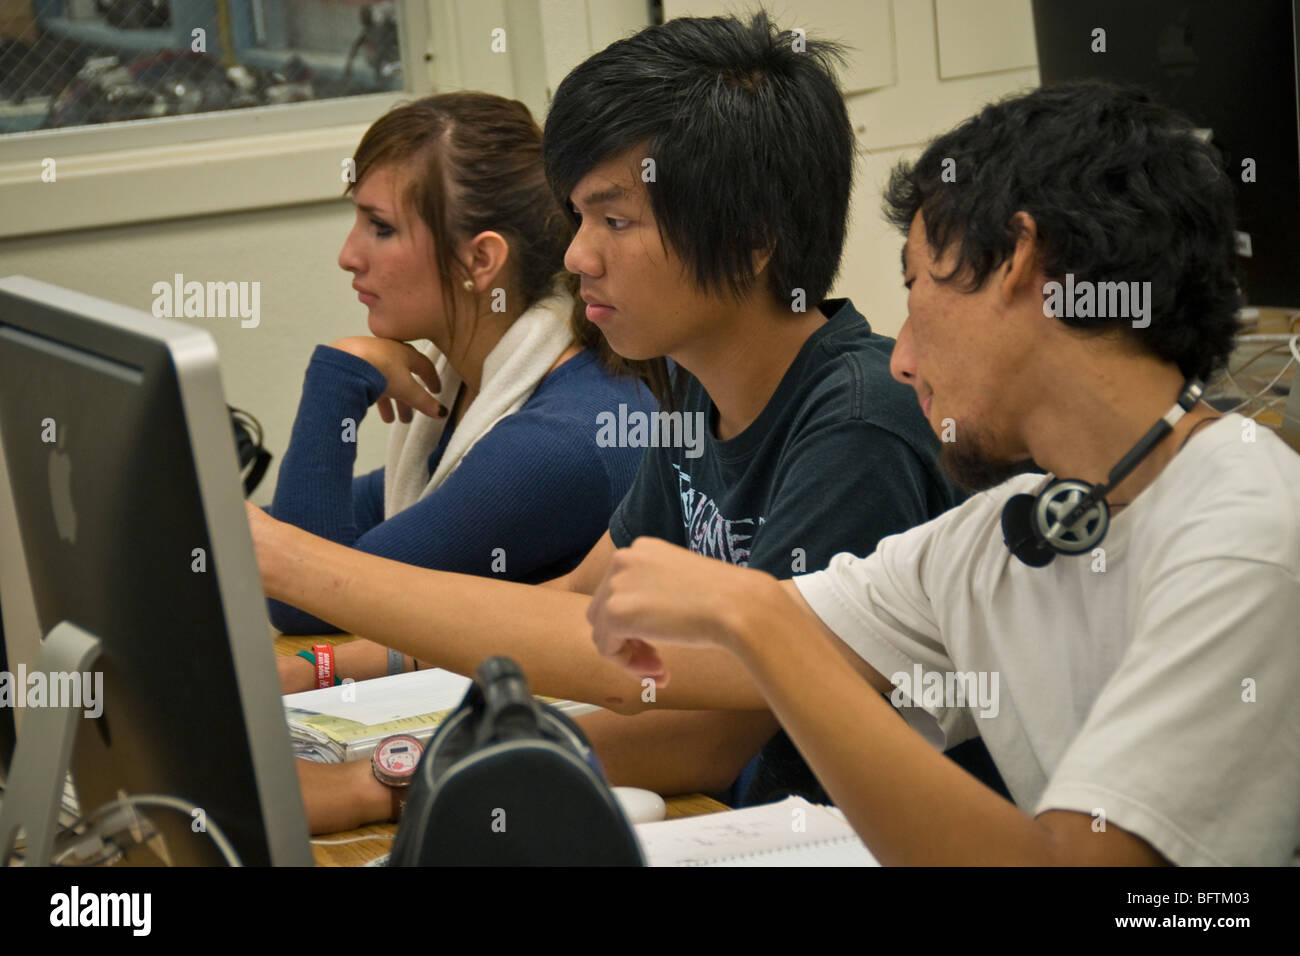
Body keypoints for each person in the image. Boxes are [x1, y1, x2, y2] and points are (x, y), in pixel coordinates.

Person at [249, 13, 981, 833]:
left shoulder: (855, 424)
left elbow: (712, 729)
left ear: (749, 242)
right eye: (578, 218)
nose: (576, 256)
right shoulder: (698, 395)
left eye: (616, 221)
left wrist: (383, 779)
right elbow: (572, 606)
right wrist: (321, 667)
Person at [586, 80, 1300, 865]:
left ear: (1021, 262)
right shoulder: (1017, 525)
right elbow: (719, 660)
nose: (900, 359)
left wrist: (756, 623)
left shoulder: (1246, 538)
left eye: (915, 285)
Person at [264, 91, 659, 638]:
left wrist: (341, 374)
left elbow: (307, 604)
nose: (349, 255)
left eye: (381, 228)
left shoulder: (556, 441)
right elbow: (313, 539)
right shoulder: (480, 385)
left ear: (481, 260)